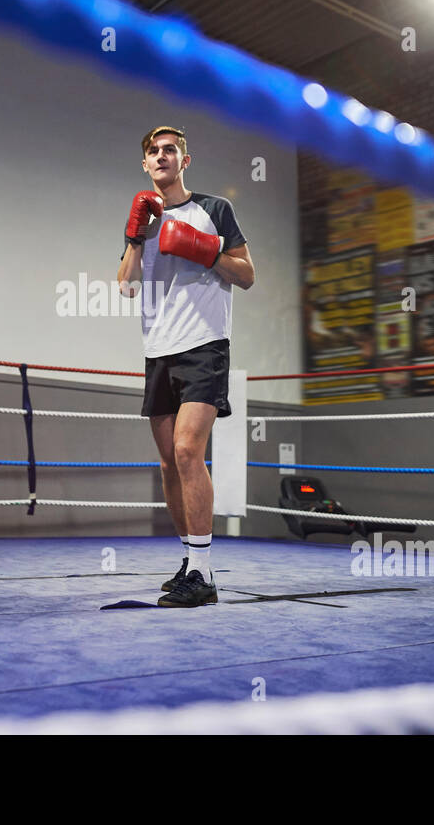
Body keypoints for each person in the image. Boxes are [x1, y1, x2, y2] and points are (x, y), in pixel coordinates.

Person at [117, 126, 254, 607]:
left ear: (184, 160)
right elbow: (127, 286)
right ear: (145, 164)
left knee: (187, 452)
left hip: (204, 345)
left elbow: (247, 275)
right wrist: (136, 238)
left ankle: (204, 575)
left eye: (169, 150)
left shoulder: (215, 209)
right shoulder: (142, 218)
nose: (161, 156)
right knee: (169, 463)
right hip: (158, 349)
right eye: (152, 151)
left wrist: (203, 247)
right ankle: (190, 561)